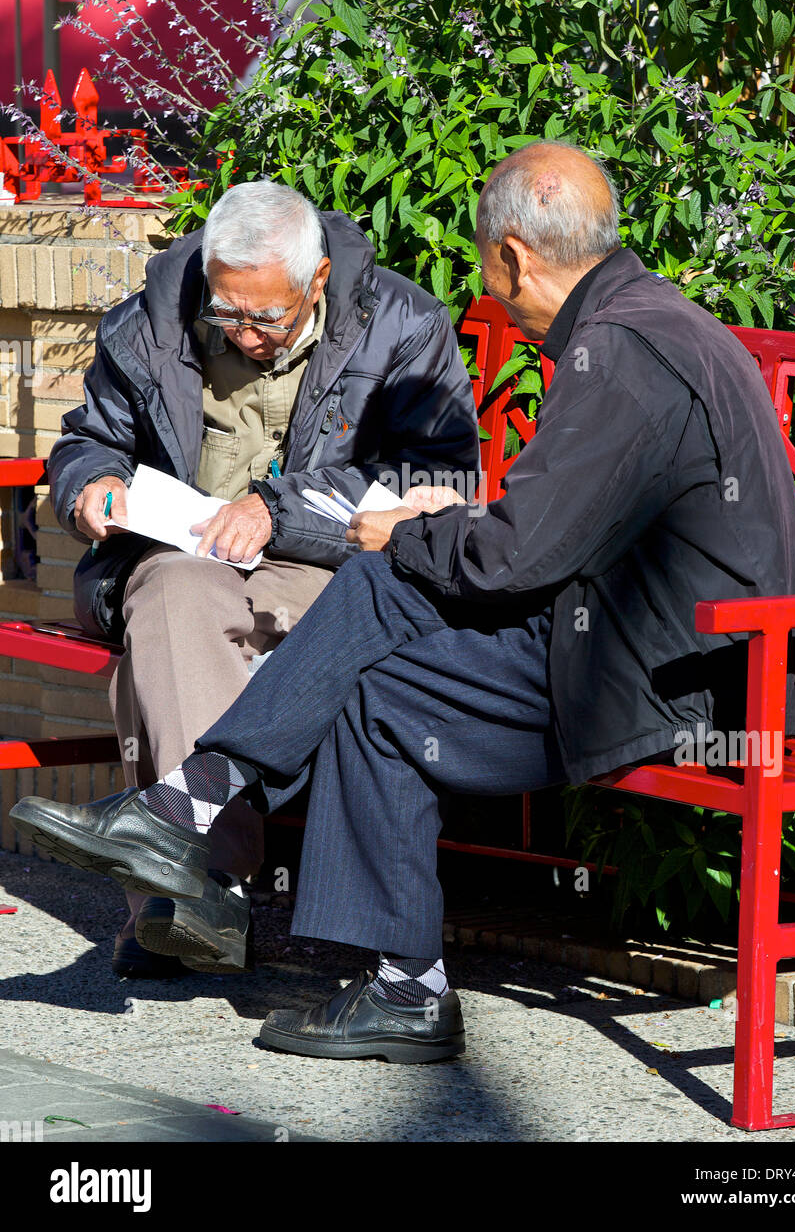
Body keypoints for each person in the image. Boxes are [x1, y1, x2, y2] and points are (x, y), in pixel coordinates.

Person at [14, 142, 795, 1061]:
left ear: (512, 255)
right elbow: (556, 530)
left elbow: (518, 555)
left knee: (384, 595)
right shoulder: (647, 325)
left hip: (679, 679)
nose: (487, 282)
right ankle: (390, 977)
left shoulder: (619, 352)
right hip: (658, 649)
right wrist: (437, 526)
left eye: (485, 260)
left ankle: (198, 813)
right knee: (376, 659)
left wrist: (406, 531)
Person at [44, 179, 480, 979]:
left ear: (315, 282)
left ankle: (188, 891)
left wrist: (279, 510)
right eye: (227, 313)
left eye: (265, 317)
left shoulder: (403, 324)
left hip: (330, 564)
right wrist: (90, 486)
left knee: (176, 642)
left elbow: (438, 479)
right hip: (183, 555)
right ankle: (205, 884)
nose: (244, 334)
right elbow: (90, 439)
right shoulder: (148, 322)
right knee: (172, 602)